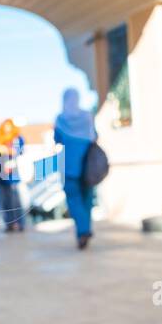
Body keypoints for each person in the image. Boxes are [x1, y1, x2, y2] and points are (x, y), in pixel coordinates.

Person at [54, 88, 97, 250]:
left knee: (74, 201)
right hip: (88, 167)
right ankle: (85, 229)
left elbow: (56, 139)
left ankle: (83, 231)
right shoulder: (87, 117)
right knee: (87, 200)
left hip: (69, 167)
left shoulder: (60, 119)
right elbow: (95, 136)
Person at [0, 138, 25, 232]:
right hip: (1, 178)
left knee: (15, 202)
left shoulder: (17, 140)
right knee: (5, 203)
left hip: (12, 179)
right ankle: (9, 224)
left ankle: (20, 224)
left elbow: (20, 149)